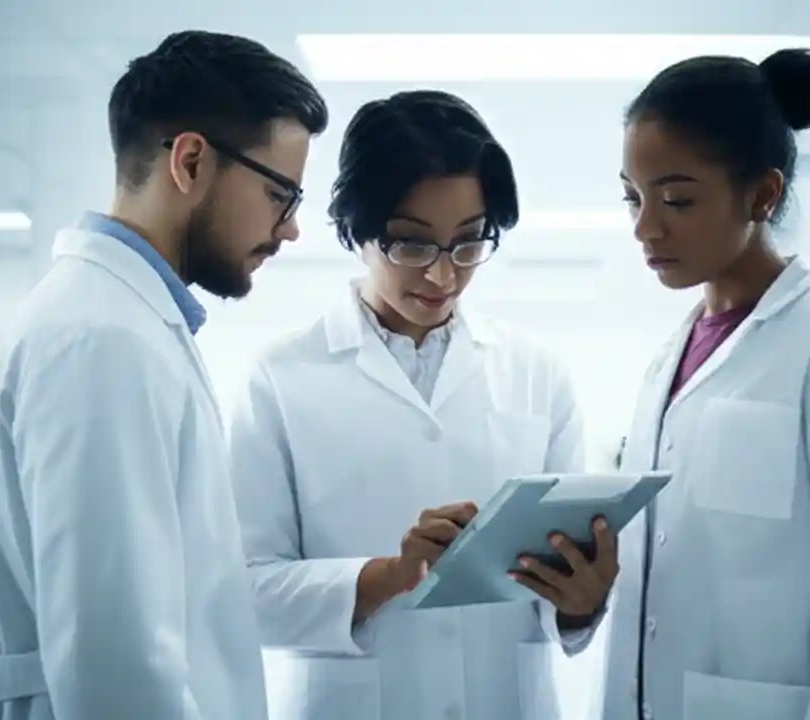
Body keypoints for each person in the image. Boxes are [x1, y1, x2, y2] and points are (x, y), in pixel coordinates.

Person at [0, 30, 327, 720]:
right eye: (281, 194)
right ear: (190, 161)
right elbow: (114, 668)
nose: (289, 231)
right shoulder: (101, 340)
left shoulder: (120, 322)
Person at [227, 89, 616, 720]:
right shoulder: (281, 377)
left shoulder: (536, 373)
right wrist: (389, 575)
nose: (442, 276)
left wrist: (582, 599)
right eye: (411, 245)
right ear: (355, 229)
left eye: (468, 243)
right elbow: (243, 591)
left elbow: (558, 603)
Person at [594, 50, 810, 719]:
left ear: (763, 194)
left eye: (676, 199)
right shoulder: (668, 360)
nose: (644, 226)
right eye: (633, 198)